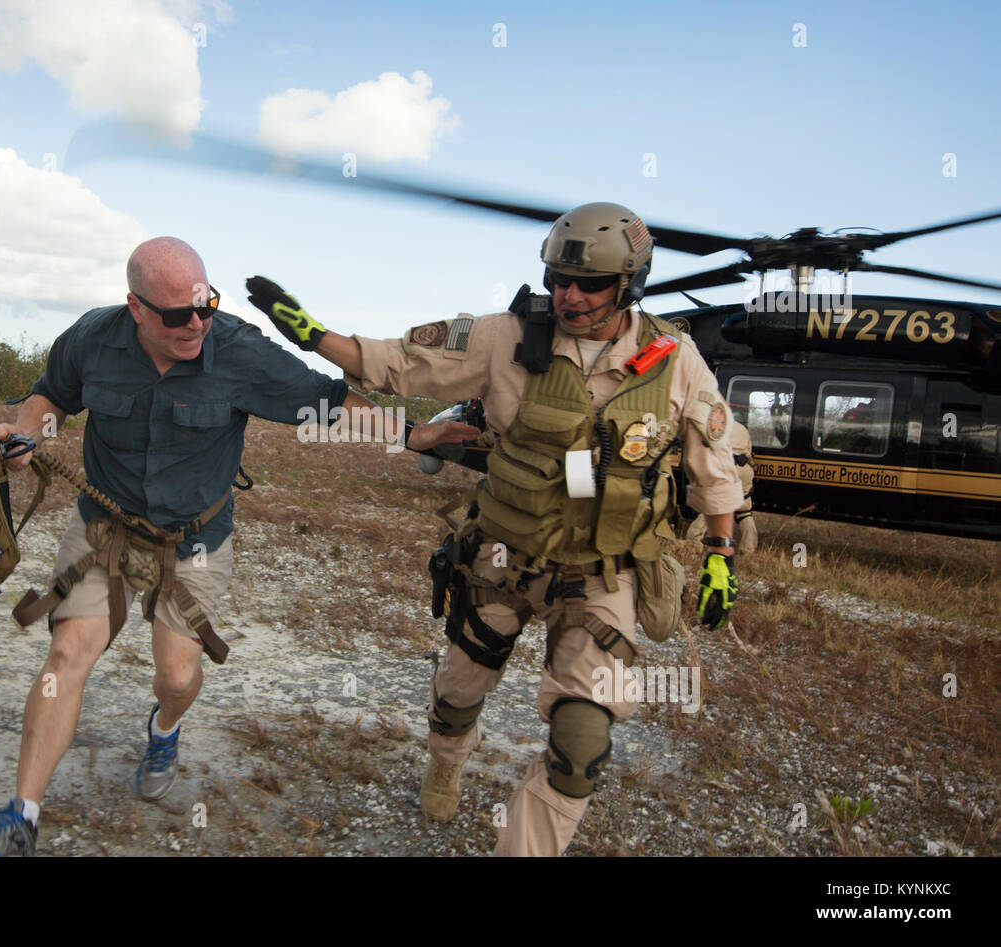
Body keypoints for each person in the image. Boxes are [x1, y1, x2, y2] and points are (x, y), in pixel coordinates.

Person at [247, 202, 744, 857]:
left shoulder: (673, 358)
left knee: (581, 744)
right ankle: (447, 757)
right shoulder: (506, 337)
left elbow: (716, 461)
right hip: (503, 558)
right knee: (457, 695)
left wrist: (720, 552)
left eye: (587, 283)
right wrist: (311, 333)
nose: (568, 293)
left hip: (604, 572)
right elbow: (400, 362)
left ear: (628, 284)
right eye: (557, 278)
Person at [0, 236, 474, 856]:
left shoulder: (238, 349)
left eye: (206, 305)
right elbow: (51, 399)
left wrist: (413, 435)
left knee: (177, 675)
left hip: (195, 538)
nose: (196, 324)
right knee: (68, 654)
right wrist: (27, 435)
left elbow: (328, 404)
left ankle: (165, 727)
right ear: (136, 307)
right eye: (177, 314)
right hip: (105, 528)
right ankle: (21, 819)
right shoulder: (93, 337)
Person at [684, 419, 757, 555]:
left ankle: (693, 543)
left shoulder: (714, 427)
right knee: (744, 510)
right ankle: (748, 547)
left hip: (725, 468)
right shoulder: (742, 428)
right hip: (744, 470)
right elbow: (749, 453)